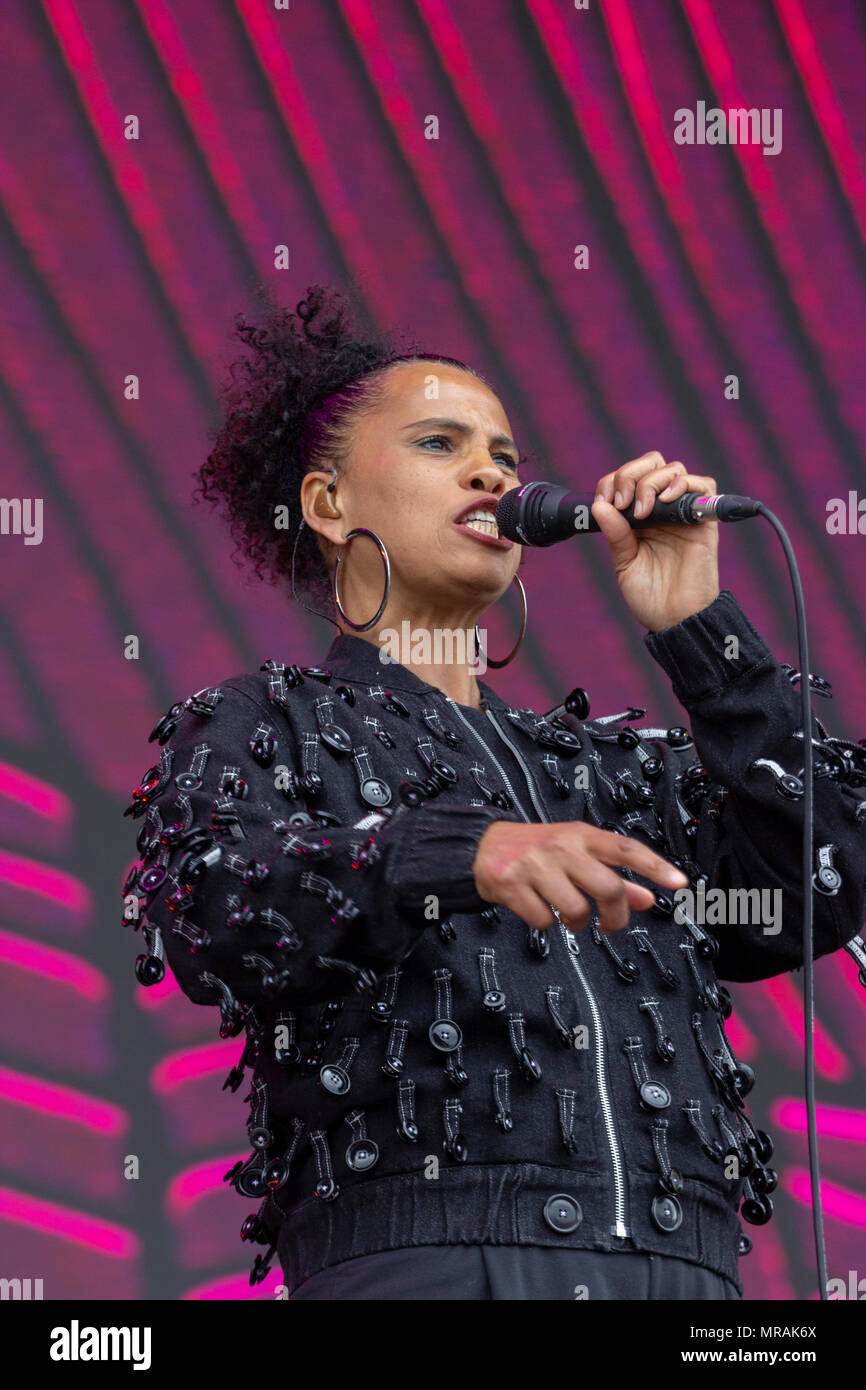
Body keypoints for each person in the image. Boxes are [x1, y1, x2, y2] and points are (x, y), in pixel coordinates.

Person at [122, 284, 866, 1301]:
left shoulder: (616, 772)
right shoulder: (266, 721)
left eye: (504, 456)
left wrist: (698, 629)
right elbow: (214, 904)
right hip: (430, 1267)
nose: (490, 469)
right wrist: (455, 855)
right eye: (439, 442)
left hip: (688, 1283)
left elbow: (816, 881)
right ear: (329, 503)